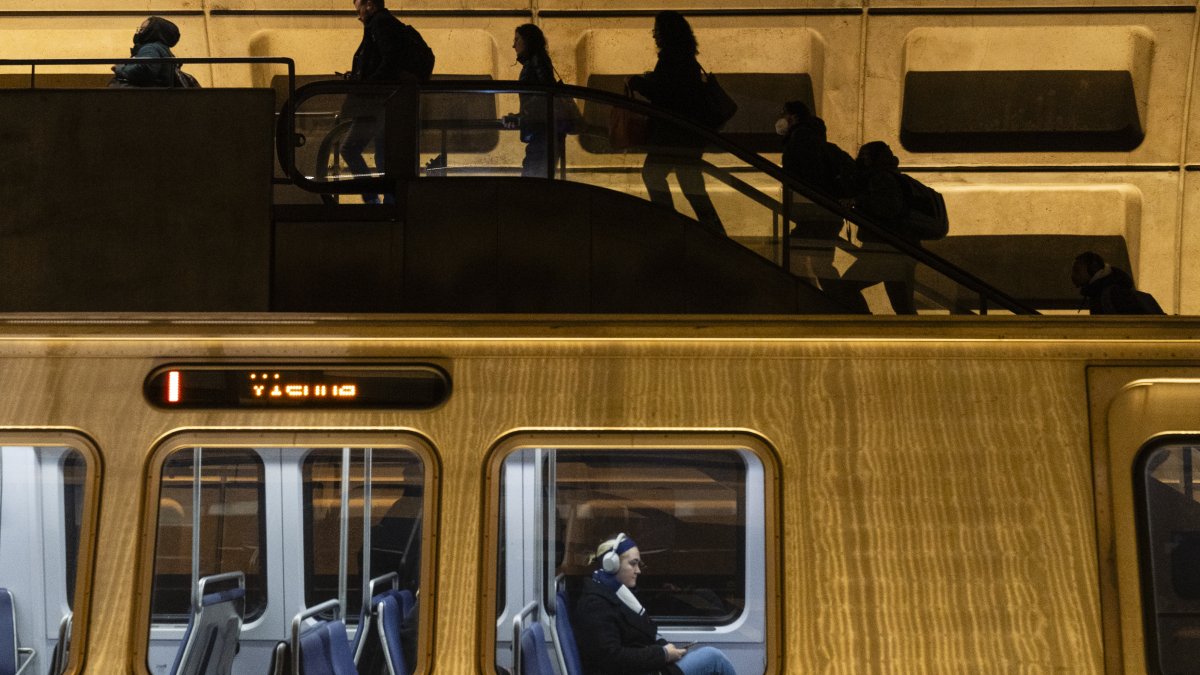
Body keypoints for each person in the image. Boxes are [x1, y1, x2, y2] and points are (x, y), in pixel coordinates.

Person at [574, 533, 737, 675]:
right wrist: (663, 654)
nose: (638, 570)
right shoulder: (595, 604)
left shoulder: (615, 594)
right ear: (612, 564)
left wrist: (664, 647)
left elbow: (641, 633)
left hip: (642, 669)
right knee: (713, 658)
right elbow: (611, 658)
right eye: (633, 563)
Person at [628, 11, 725, 236]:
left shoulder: (671, 58)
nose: (654, 35)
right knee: (691, 184)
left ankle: (667, 225)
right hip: (689, 135)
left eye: (657, 30)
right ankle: (716, 234)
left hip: (674, 135)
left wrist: (637, 82)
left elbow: (664, 93)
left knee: (652, 174)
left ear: (667, 33)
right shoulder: (686, 57)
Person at [777, 101, 869, 311]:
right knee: (821, 264)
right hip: (829, 213)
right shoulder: (819, 143)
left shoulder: (800, 141)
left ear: (793, 117)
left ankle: (814, 302)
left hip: (815, 213)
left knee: (792, 252)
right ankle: (849, 308)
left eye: (783, 114)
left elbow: (809, 178)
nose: (780, 119)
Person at [341, 0, 435, 204]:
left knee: (350, 148)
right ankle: (388, 202)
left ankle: (374, 199)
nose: (358, 15)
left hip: (376, 102)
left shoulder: (380, 23)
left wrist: (367, 84)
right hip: (388, 103)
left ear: (370, 5)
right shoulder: (388, 24)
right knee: (384, 154)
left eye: (358, 9)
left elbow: (389, 62)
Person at [847, 140, 918, 314]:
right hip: (902, 248)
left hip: (883, 250)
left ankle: (864, 326)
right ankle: (920, 337)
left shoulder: (880, 177)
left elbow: (887, 207)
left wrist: (858, 201)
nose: (862, 159)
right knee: (903, 304)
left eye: (865, 155)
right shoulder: (894, 175)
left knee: (846, 287)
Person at [502, 24, 564, 178]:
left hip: (542, 137)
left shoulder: (536, 61)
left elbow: (544, 96)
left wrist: (520, 117)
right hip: (544, 135)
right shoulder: (538, 61)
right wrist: (520, 116)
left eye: (517, 39)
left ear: (528, 40)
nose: (513, 45)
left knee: (532, 185)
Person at [1071, 251, 1165, 314]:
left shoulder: (1112, 294)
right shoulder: (1100, 292)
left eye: (1077, 270)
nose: (1073, 275)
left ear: (1093, 268)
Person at [110, 16, 181, 87]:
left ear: (152, 31)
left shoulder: (150, 48)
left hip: (145, 95)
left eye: (142, 29)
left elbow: (145, 69)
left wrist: (120, 68)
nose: (138, 33)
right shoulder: (163, 48)